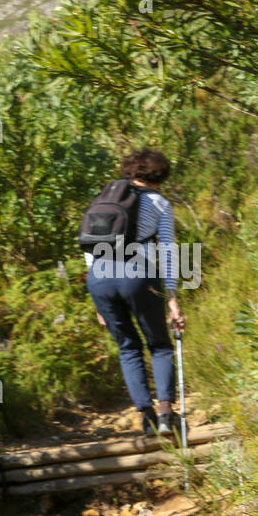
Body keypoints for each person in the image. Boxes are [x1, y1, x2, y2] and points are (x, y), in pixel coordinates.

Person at [84, 148, 185, 434]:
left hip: (99, 278)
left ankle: (147, 417)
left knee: (128, 348)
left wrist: (98, 304)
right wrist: (173, 298)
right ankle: (166, 415)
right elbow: (167, 250)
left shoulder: (103, 197)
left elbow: (90, 247)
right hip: (137, 273)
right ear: (159, 176)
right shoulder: (159, 203)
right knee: (159, 344)